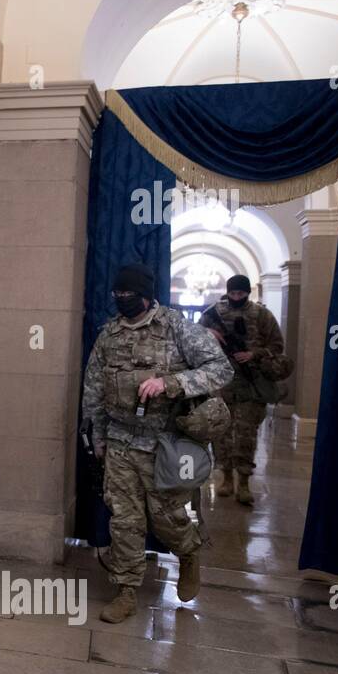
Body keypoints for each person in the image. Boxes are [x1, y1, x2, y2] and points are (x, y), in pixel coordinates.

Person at [81, 263, 233, 623]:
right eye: (117, 295)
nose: (122, 300)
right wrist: (97, 437)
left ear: (147, 296)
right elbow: (94, 389)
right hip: (119, 441)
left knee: (165, 517)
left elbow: (220, 368)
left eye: (129, 295)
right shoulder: (109, 335)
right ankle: (126, 590)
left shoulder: (175, 326)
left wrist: (172, 383)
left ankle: (188, 552)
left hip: (165, 441)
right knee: (125, 519)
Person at [198, 275, 288, 506]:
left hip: (251, 383)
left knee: (246, 434)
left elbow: (277, 346)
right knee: (222, 434)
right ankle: (226, 478)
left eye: (241, 294)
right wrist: (209, 334)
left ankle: (244, 482)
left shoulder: (262, 315)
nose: (236, 298)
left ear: (248, 292)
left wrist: (253, 354)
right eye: (233, 294)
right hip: (222, 383)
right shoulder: (213, 313)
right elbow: (193, 339)